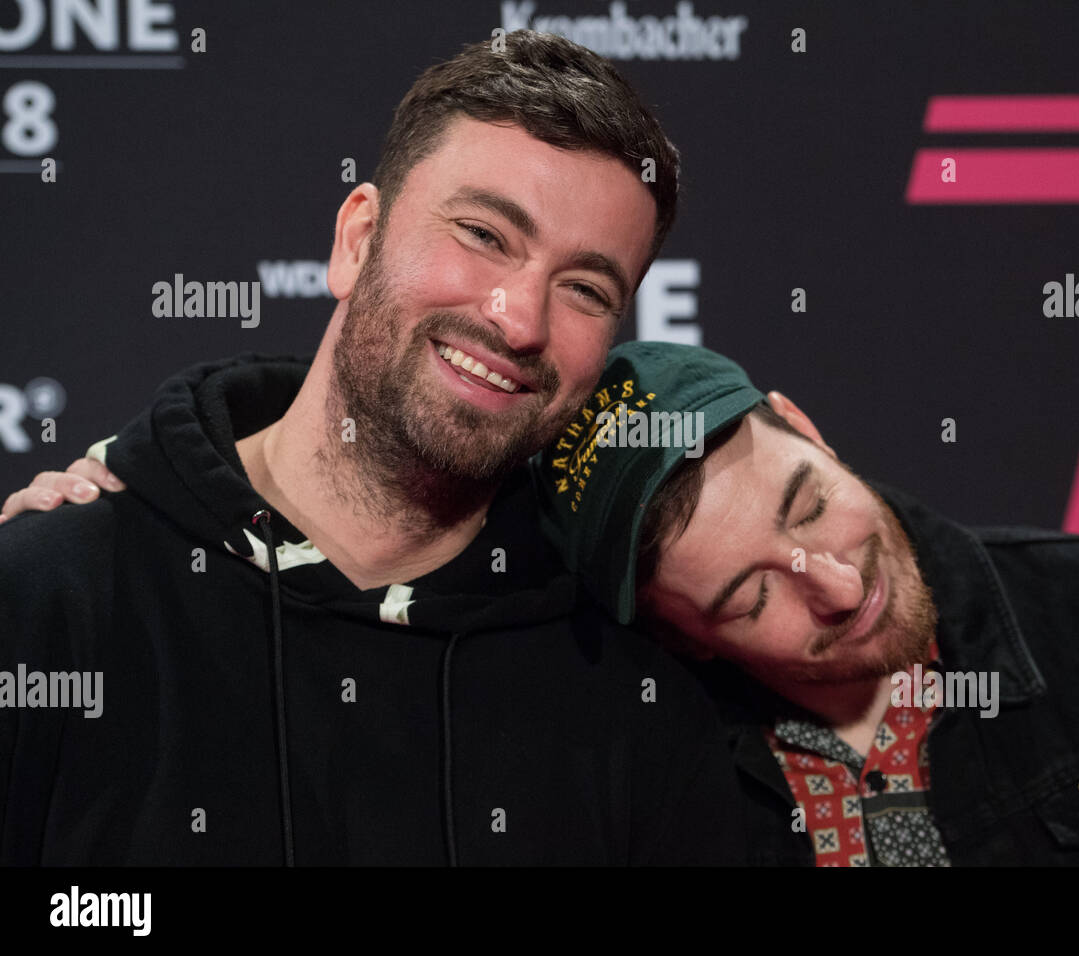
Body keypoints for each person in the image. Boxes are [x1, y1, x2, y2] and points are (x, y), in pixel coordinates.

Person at [0, 32, 749, 866]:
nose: (520, 320)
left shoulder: (635, 711)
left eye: (584, 289)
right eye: (484, 235)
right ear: (358, 240)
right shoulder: (52, 598)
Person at [527, 341, 1079, 866]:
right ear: (682, 637)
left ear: (806, 428)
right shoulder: (646, 789)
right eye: (754, 597)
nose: (838, 586)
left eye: (810, 508)